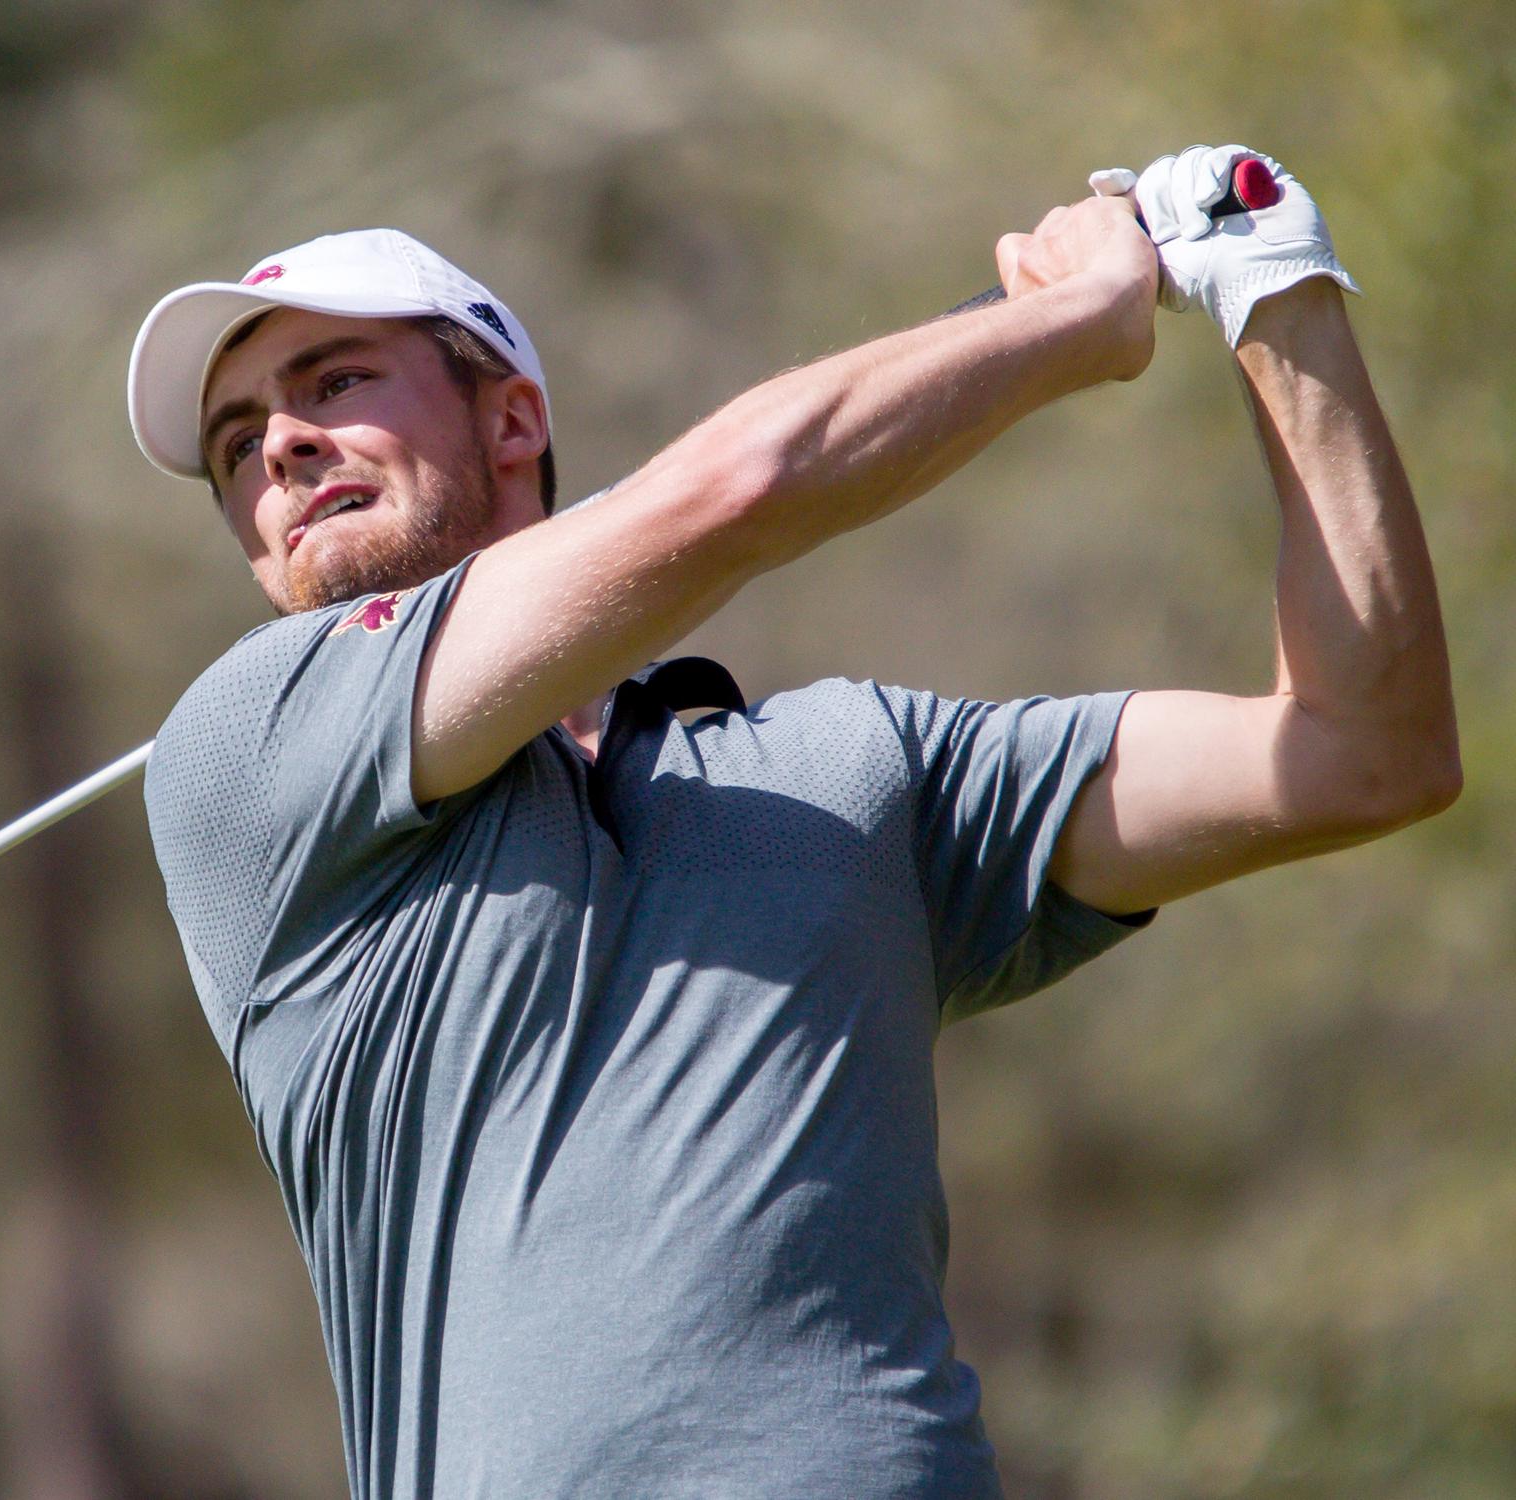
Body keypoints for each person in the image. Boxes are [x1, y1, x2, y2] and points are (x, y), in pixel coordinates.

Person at [127, 147, 1458, 1498]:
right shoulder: (244, 756)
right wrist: (1078, 321)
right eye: (237, 444)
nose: (279, 446)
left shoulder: (853, 766)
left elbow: (1363, 753)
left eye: (334, 382)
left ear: (514, 419)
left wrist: (1279, 296)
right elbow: (737, 493)